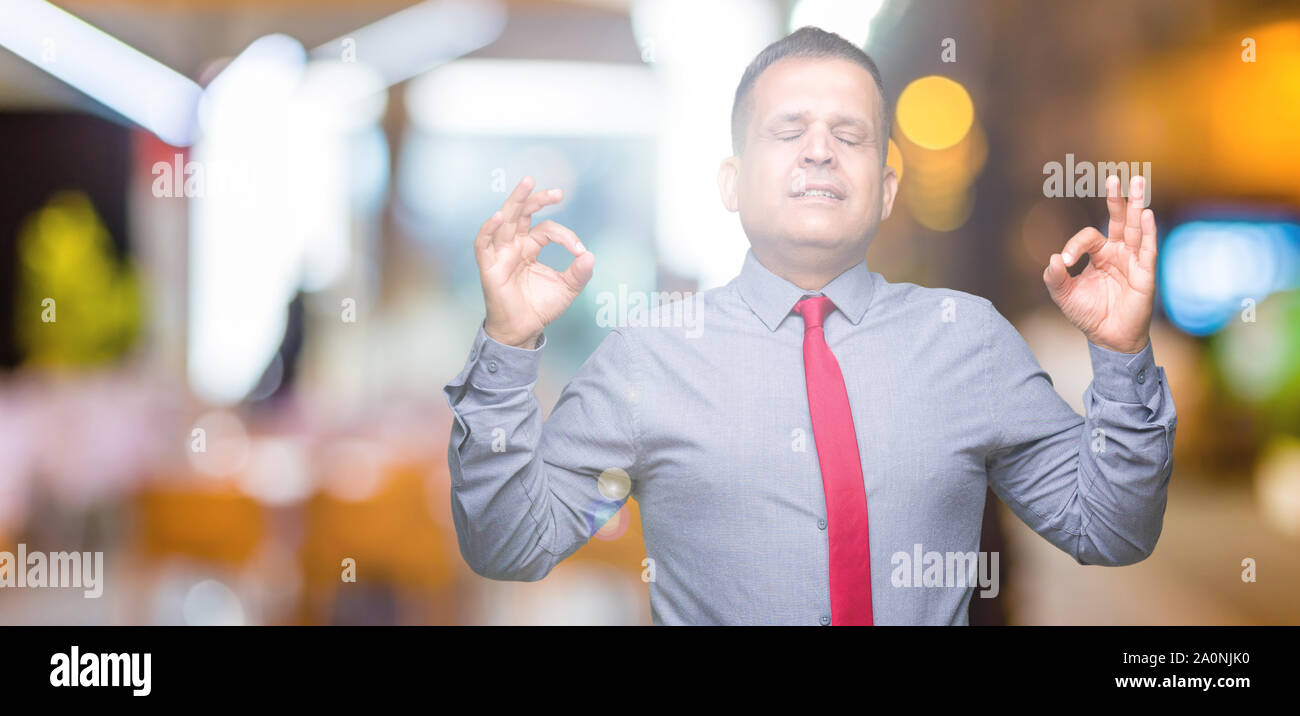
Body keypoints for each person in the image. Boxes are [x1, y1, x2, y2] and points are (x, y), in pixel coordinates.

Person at [442, 26, 1176, 625]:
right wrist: (506, 348)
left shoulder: (968, 340)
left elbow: (1110, 530)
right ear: (731, 182)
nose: (820, 148)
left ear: (886, 190)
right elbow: (510, 547)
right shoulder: (646, 360)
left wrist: (1122, 355)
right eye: (787, 129)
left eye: (850, 134)